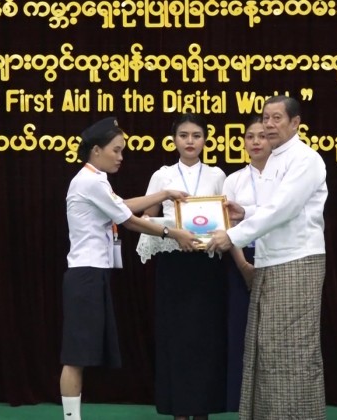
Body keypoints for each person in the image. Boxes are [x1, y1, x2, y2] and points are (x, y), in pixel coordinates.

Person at [59, 116, 199, 420]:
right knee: (76, 356)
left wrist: (164, 194)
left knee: (81, 354)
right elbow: (129, 219)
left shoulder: (95, 181)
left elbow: (121, 206)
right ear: (97, 151)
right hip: (86, 274)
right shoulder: (90, 181)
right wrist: (173, 233)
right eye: (117, 150)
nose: (121, 157)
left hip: (92, 274)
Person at [206, 96, 329, 420]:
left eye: (277, 118)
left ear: (295, 123)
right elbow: (275, 208)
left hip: (297, 262)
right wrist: (245, 211)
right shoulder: (276, 159)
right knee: (266, 349)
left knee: (293, 352)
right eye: (266, 118)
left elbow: (283, 209)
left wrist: (232, 235)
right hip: (272, 262)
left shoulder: (306, 159)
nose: (270, 124)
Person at [142, 113, 228, 420]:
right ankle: (178, 410)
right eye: (183, 135)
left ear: (205, 140)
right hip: (174, 265)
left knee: (205, 338)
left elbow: (227, 218)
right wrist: (171, 229)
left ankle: (202, 409)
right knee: (175, 338)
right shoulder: (162, 175)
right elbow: (146, 216)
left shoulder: (218, 175)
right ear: (174, 140)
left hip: (208, 267)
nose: (190, 141)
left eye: (196, 135)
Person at [220, 115, 272, 412]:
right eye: (250, 136)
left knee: (271, 336)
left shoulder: (283, 177)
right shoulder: (234, 179)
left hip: (276, 259)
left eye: (262, 136)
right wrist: (242, 265)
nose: (256, 141)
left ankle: (268, 403)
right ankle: (241, 404)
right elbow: (228, 227)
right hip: (241, 259)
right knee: (241, 331)